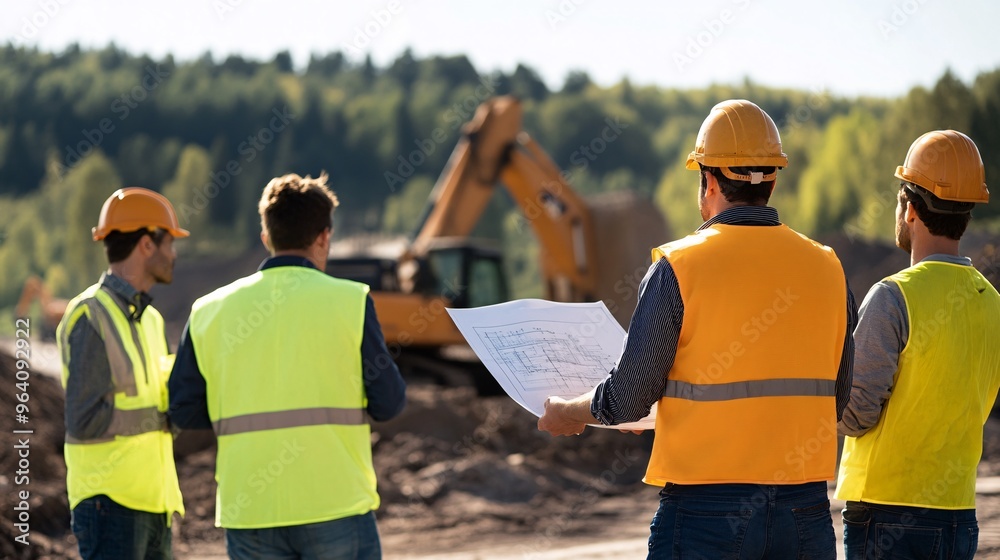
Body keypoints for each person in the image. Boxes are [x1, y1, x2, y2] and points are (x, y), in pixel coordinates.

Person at [538, 99, 857, 559]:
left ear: (707, 179)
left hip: (707, 514)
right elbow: (837, 398)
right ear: (773, 178)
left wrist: (569, 410)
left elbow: (628, 397)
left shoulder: (680, 267)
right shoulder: (827, 268)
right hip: (803, 513)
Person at [168, 172, 406, 560]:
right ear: (324, 236)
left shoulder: (208, 310)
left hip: (250, 509)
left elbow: (184, 409)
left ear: (267, 237)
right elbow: (389, 403)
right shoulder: (351, 301)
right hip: (335, 502)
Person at [836, 130, 999, 558]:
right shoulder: (993, 303)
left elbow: (856, 414)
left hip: (886, 513)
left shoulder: (892, 296)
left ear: (909, 209)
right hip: (958, 513)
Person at [56, 187, 188, 559]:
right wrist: (160, 418)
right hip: (109, 504)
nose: (174, 255)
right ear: (146, 244)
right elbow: (84, 419)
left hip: (153, 501)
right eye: (169, 243)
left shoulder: (151, 320)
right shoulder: (90, 316)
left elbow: (154, 398)